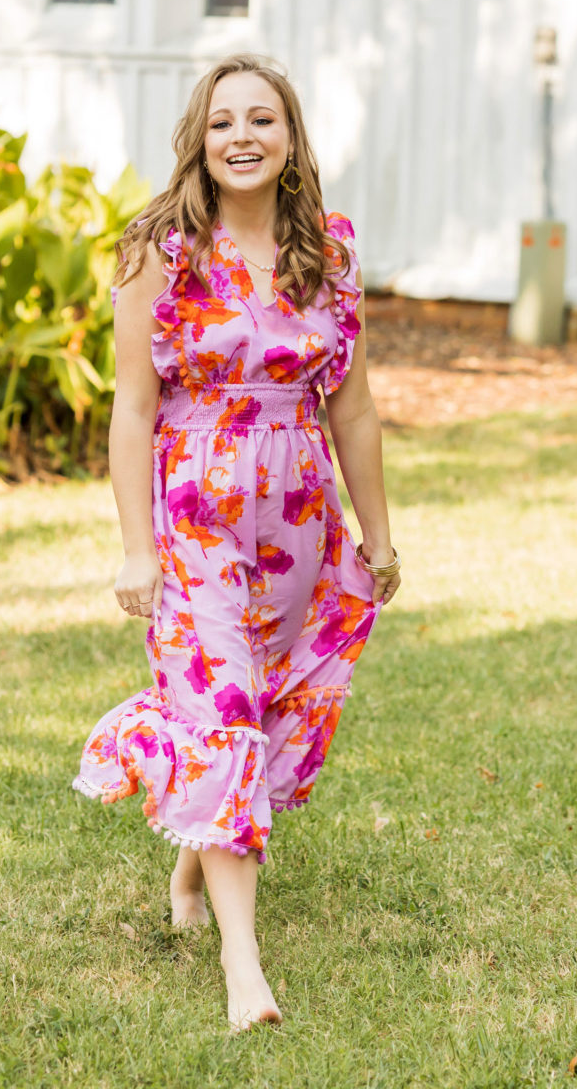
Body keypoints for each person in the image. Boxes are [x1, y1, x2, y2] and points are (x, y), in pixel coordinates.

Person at [72, 51, 401, 1030]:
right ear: (199, 140)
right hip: (198, 521)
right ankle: (242, 967)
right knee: (218, 707)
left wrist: (376, 537)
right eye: (223, 122)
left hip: (298, 521)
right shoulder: (161, 251)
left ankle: (191, 865)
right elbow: (132, 409)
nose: (243, 136)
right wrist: (135, 549)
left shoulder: (328, 254)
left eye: (263, 119)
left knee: (254, 714)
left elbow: (355, 412)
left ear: (291, 139)